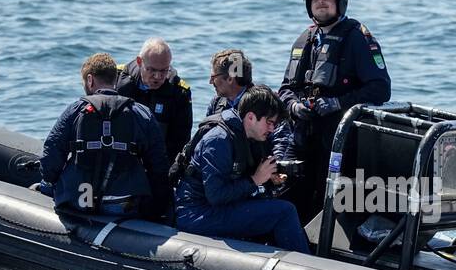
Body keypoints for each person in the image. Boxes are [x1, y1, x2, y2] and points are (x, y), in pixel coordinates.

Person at [275, 0, 391, 221]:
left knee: (327, 198)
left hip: (340, 139)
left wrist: (337, 103)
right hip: (304, 135)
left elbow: (381, 88)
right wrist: (294, 106)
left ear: (340, 1)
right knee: (286, 188)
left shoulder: (358, 38)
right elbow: (285, 89)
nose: (321, 1)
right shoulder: (305, 40)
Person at [174, 85, 310, 253]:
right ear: (251, 117)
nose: (272, 129)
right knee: (284, 211)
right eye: (269, 123)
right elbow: (216, 195)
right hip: (196, 212)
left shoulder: (251, 138)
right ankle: (305, 266)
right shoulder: (218, 141)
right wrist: (255, 180)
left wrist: (270, 180)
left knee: (277, 204)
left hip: (219, 207)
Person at [39, 53, 171, 218]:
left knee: (45, 184)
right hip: (123, 203)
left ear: (90, 80)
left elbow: (51, 154)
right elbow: (158, 165)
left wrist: (50, 180)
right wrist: (158, 207)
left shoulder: (75, 111)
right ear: (115, 80)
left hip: (80, 200)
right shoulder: (141, 113)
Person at [116, 37, 192, 160]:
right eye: (151, 70)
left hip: (156, 160)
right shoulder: (116, 79)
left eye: (164, 71)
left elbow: (180, 141)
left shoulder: (179, 93)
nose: (157, 76)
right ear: (139, 62)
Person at [204, 48, 253, 116]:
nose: (210, 82)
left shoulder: (258, 103)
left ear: (230, 79)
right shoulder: (216, 103)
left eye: (213, 77)